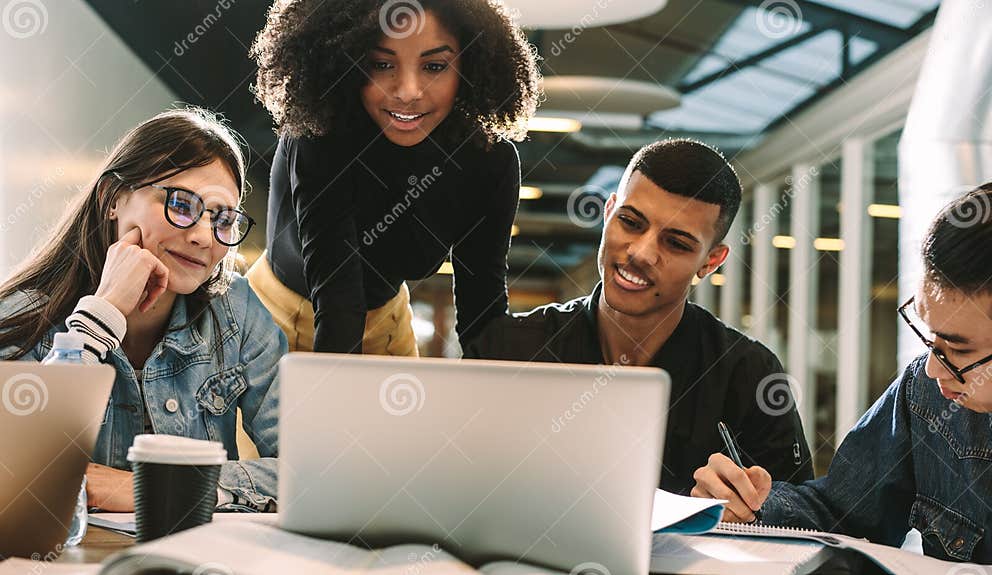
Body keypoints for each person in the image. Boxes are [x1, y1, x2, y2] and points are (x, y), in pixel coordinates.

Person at [464, 139, 813, 494]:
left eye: (676, 243)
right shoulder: (508, 351)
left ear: (710, 261)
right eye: (630, 222)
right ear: (608, 213)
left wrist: (748, 514)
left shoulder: (751, 377)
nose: (642, 253)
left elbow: (803, 517)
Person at [0, 108, 286, 512]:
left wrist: (150, 488)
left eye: (224, 219)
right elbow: (16, 474)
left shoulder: (237, 311)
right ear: (113, 199)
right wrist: (103, 313)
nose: (205, 237)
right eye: (182, 204)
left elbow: (314, 470)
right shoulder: (23, 317)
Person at [691, 183, 992, 564]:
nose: (933, 368)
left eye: (959, 349)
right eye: (929, 336)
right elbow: (844, 513)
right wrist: (751, 505)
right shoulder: (925, 394)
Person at [248, 0, 540, 354]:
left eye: (434, 66)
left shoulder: (489, 163)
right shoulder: (320, 136)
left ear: (470, 65)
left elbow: (482, 304)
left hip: (386, 325)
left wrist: (492, 398)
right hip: (269, 321)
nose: (407, 92)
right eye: (382, 64)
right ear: (347, 61)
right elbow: (339, 297)